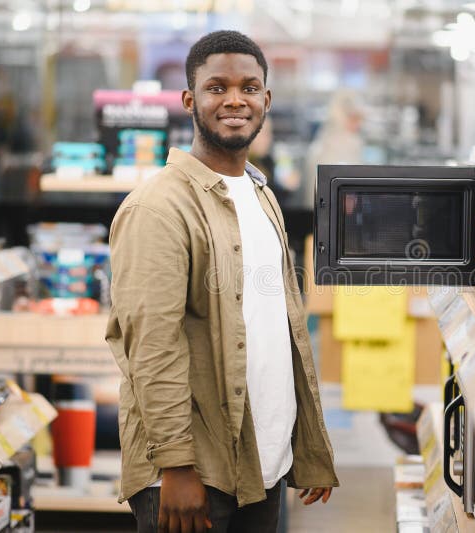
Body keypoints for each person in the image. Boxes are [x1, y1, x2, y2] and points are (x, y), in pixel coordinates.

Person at [106, 30, 338, 533]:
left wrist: (305, 443)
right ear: (190, 100)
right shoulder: (158, 208)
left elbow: (278, 329)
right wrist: (174, 463)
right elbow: (152, 345)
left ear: (266, 99)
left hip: (260, 463)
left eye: (249, 88)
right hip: (195, 472)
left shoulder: (260, 195)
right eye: (217, 87)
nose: (235, 100)